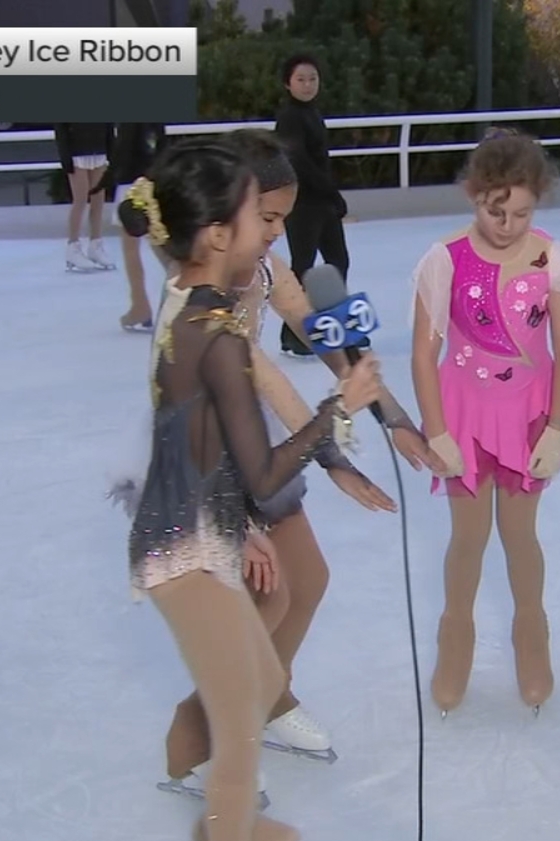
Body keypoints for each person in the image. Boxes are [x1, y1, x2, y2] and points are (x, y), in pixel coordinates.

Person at [119, 139, 382, 841]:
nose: (267, 232)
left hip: (202, 526)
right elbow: (263, 467)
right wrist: (341, 409)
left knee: (261, 674)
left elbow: (214, 450)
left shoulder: (206, 316)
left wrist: (246, 528)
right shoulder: (216, 336)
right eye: (251, 216)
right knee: (239, 730)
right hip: (182, 550)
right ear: (215, 236)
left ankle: (222, 827)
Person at [150, 128, 441, 797]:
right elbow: (269, 382)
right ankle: (193, 741)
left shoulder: (261, 270)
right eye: (268, 219)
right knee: (260, 600)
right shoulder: (195, 299)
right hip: (204, 456)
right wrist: (333, 455)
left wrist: (393, 418)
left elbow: (326, 336)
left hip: (255, 439)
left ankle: (269, 700)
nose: (278, 235)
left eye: (281, 219)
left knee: (305, 581)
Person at [409, 129, 560, 715]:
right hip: (462, 417)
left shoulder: (555, 260)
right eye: (496, 210)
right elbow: (422, 352)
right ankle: (454, 635)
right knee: (468, 536)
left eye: (522, 212)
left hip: (526, 418)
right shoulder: (445, 260)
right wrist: (435, 430)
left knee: (518, 533)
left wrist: (557, 428)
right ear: (473, 195)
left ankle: (531, 634)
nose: (508, 224)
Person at [273, 53, 352, 358]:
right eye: (300, 79)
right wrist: (332, 192)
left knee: (337, 262)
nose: (307, 85)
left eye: (312, 79)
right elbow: (298, 162)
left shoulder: (311, 112)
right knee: (303, 267)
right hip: (303, 203)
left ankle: (329, 327)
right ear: (287, 83)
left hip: (321, 201)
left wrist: (330, 195)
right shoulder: (290, 116)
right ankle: (296, 334)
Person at [110, 122, 171, 331]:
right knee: (158, 241)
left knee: (131, 247)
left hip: (132, 184)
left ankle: (140, 304)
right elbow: (161, 147)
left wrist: (108, 178)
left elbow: (123, 150)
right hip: (153, 182)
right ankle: (147, 303)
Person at [55, 122, 117, 272]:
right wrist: (66, 159)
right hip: (77, 153)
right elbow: (61, 130)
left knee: (98, 200)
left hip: (99, 150)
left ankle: (96, 244)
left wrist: (113, 154)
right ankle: (73, 247)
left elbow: (108, 126)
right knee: (80, 199)